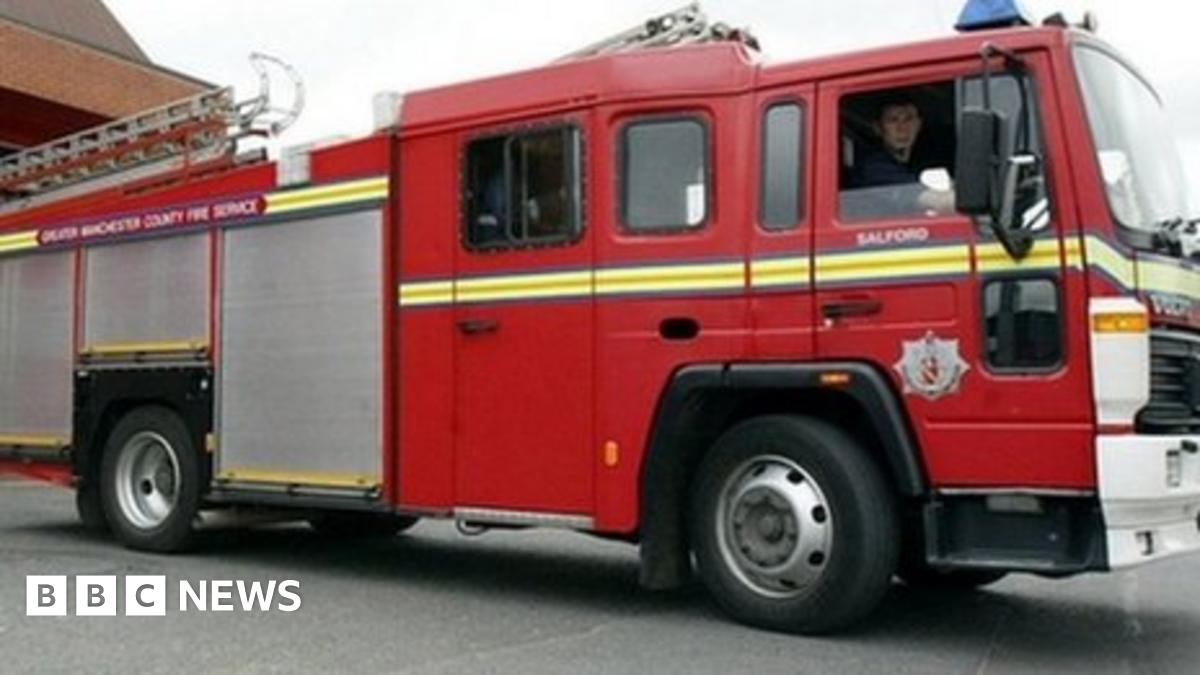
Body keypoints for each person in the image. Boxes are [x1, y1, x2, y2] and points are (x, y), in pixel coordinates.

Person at [845, 95, 955, 218]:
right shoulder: (873, 168)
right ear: (878, 128)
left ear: (918, 125)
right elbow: (935, 202)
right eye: (893, 120)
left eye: (908, 119)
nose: (902, 129)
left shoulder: (920, 161)